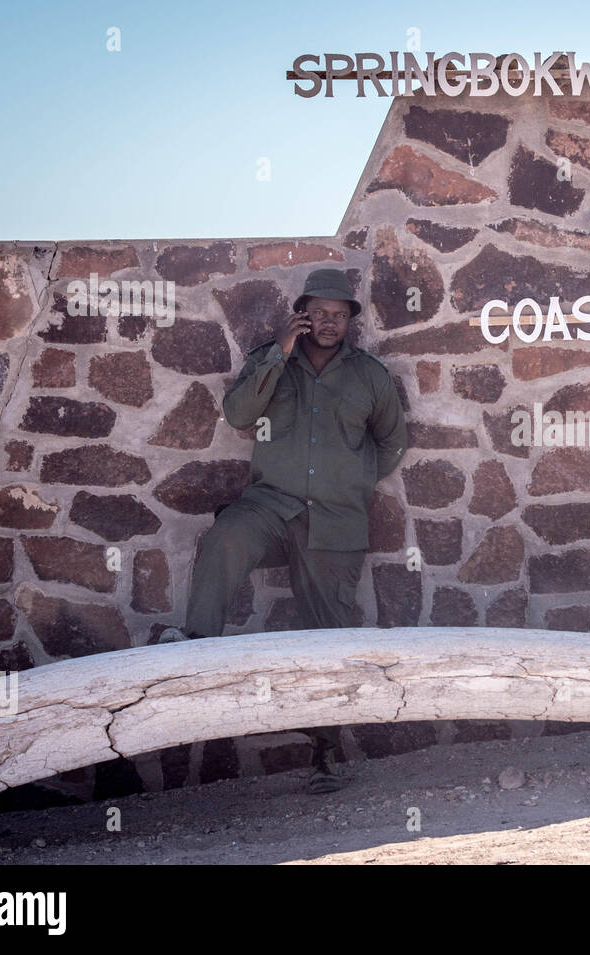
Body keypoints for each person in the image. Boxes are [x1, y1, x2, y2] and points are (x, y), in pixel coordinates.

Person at [159, 268, 408, 794]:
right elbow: (237, 414)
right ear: (301, 313)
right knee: (228, 533)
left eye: (338, 315)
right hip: (271, 505)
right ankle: (195, 648)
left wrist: (355, 481)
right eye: (318, 313)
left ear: (350, 321)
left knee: (330, 636)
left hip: (336, 520)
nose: (328, 323)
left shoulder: (370, 375)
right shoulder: (270, 359)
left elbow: (392, 442)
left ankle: (324, 754)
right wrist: (278, 350)